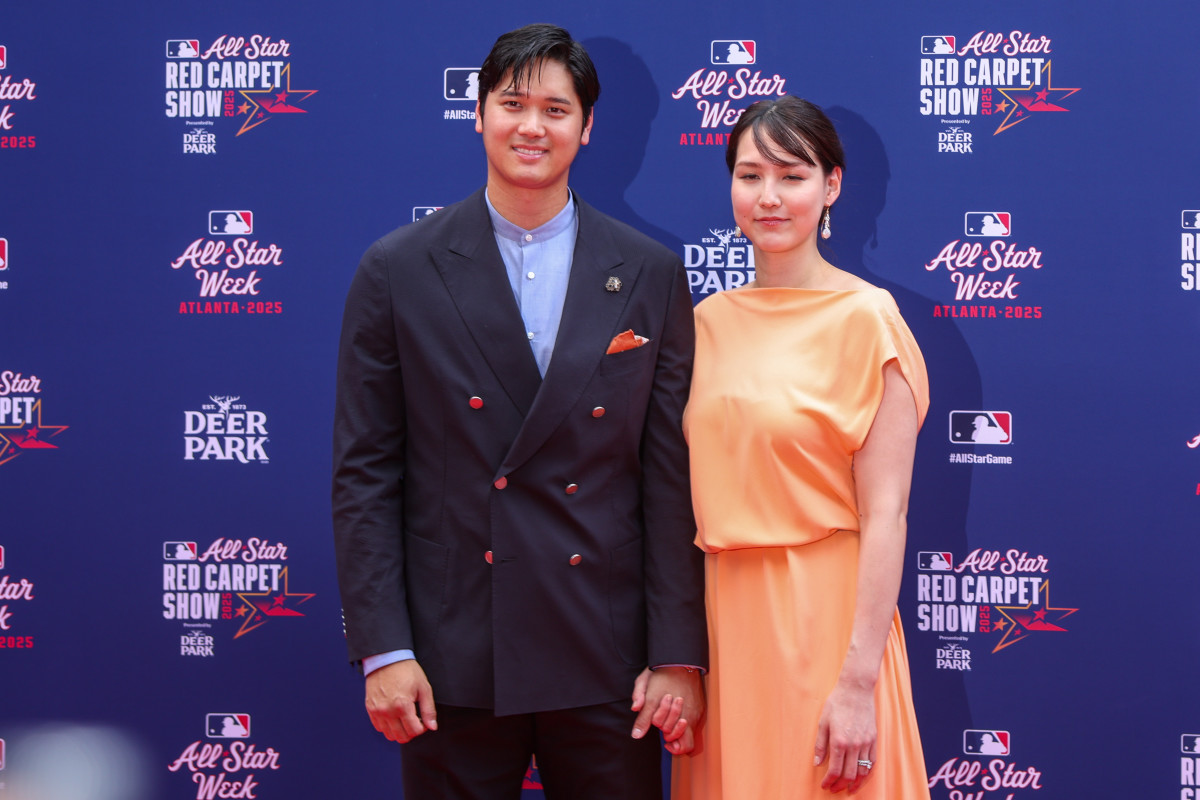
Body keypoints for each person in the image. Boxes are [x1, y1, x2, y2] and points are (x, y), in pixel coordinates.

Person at [332, 23, 706, 800]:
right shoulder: (398, 268)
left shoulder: (647, 271)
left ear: (588, 126)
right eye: (512, 103)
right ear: (478, 114)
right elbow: (365, 475)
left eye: (556, 109)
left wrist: (677, 653)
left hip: (605, 651)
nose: (532, 126)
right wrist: (384, 650)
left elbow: (669, 476)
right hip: (451, 653)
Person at [672, 96, 931, 798]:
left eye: (792, 176)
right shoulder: (704, 323)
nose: (770, 197)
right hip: (725, 631)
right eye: (751, 176)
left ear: (832, 187)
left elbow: (887, 514)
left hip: (829, 629)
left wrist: (856, 683)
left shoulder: (869, 320)